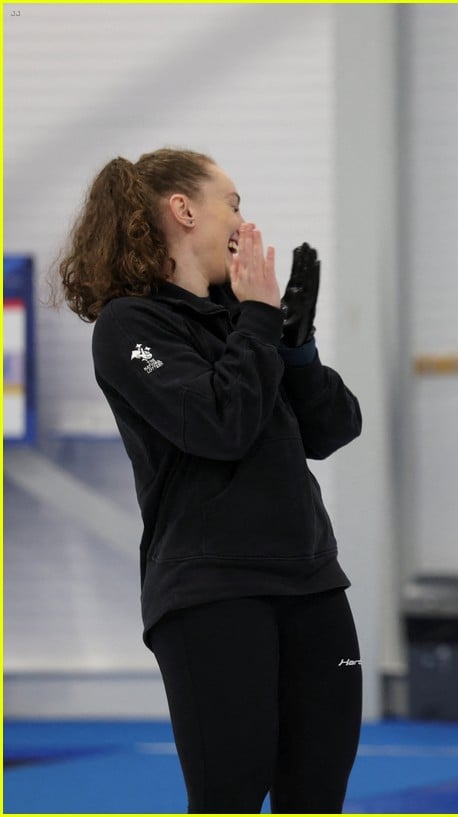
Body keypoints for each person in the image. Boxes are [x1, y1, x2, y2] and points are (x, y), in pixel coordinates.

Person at [54, 148, 365, 811]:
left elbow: (336, 428)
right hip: (213, 592)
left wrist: (294, 346)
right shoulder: (129, 326)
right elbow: (220, 425)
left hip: (310, 582)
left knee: (318, 795)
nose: (242, 220)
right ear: (183, 210)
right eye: (233, 203)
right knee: (230, 795)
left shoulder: (241, 314)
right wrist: (258, 321)